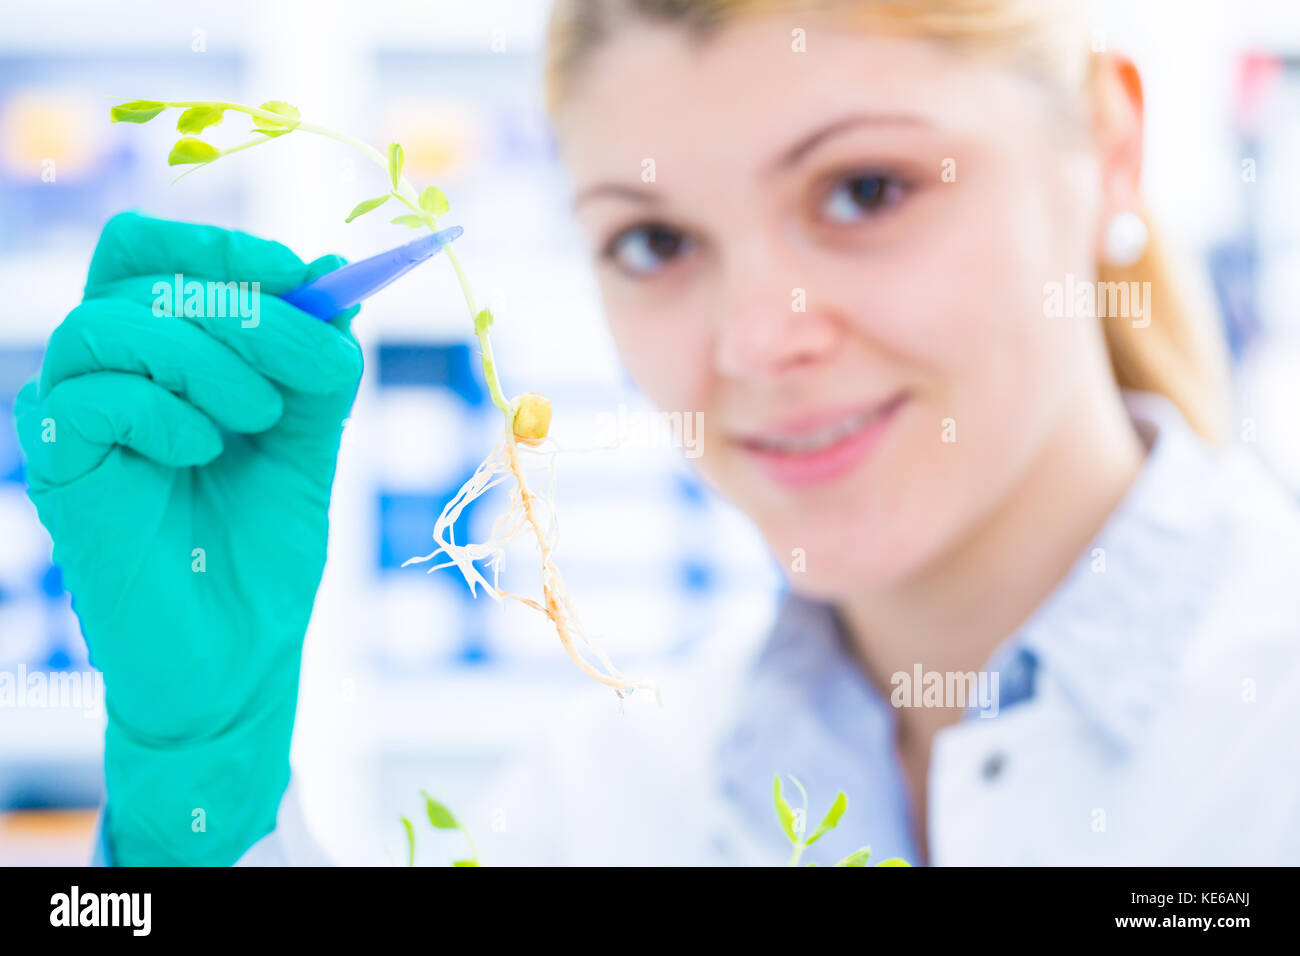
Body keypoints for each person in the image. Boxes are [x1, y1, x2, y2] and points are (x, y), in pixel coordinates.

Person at [15, 0, 1300, 867]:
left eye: (864, 191)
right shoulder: (600, 805)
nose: (753, 342)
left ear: (1111, 149)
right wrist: (198, 799)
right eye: (655, 242)